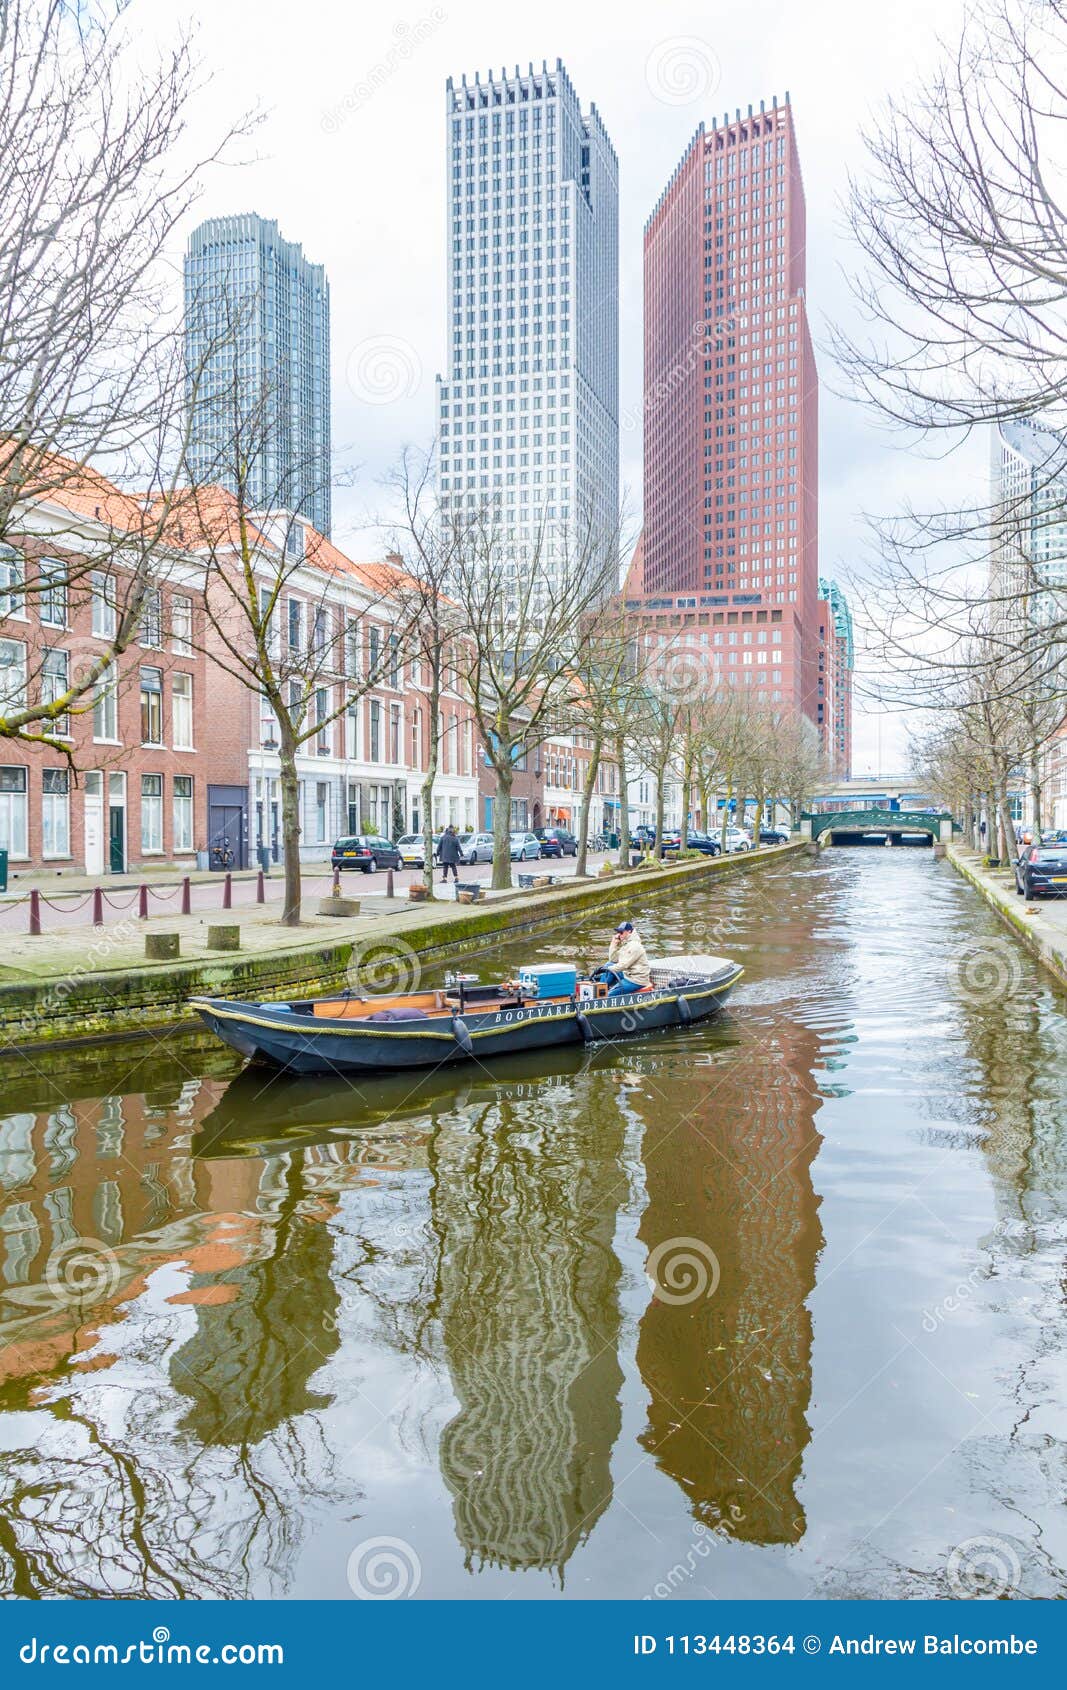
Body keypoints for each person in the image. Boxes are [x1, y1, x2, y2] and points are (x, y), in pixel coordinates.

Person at [604, 920, 652, 997]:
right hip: (628, 974)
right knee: (609, 964)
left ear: (629, 931)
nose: (619, 935)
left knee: (609, 994)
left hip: (636, 980)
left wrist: (607, 969)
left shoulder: (635, 945)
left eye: (621, 932)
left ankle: (602, 996)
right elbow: (613, 959)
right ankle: (599, 987)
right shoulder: (626, 944)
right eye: (618, 932)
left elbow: (624, 965)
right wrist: (614, 944)